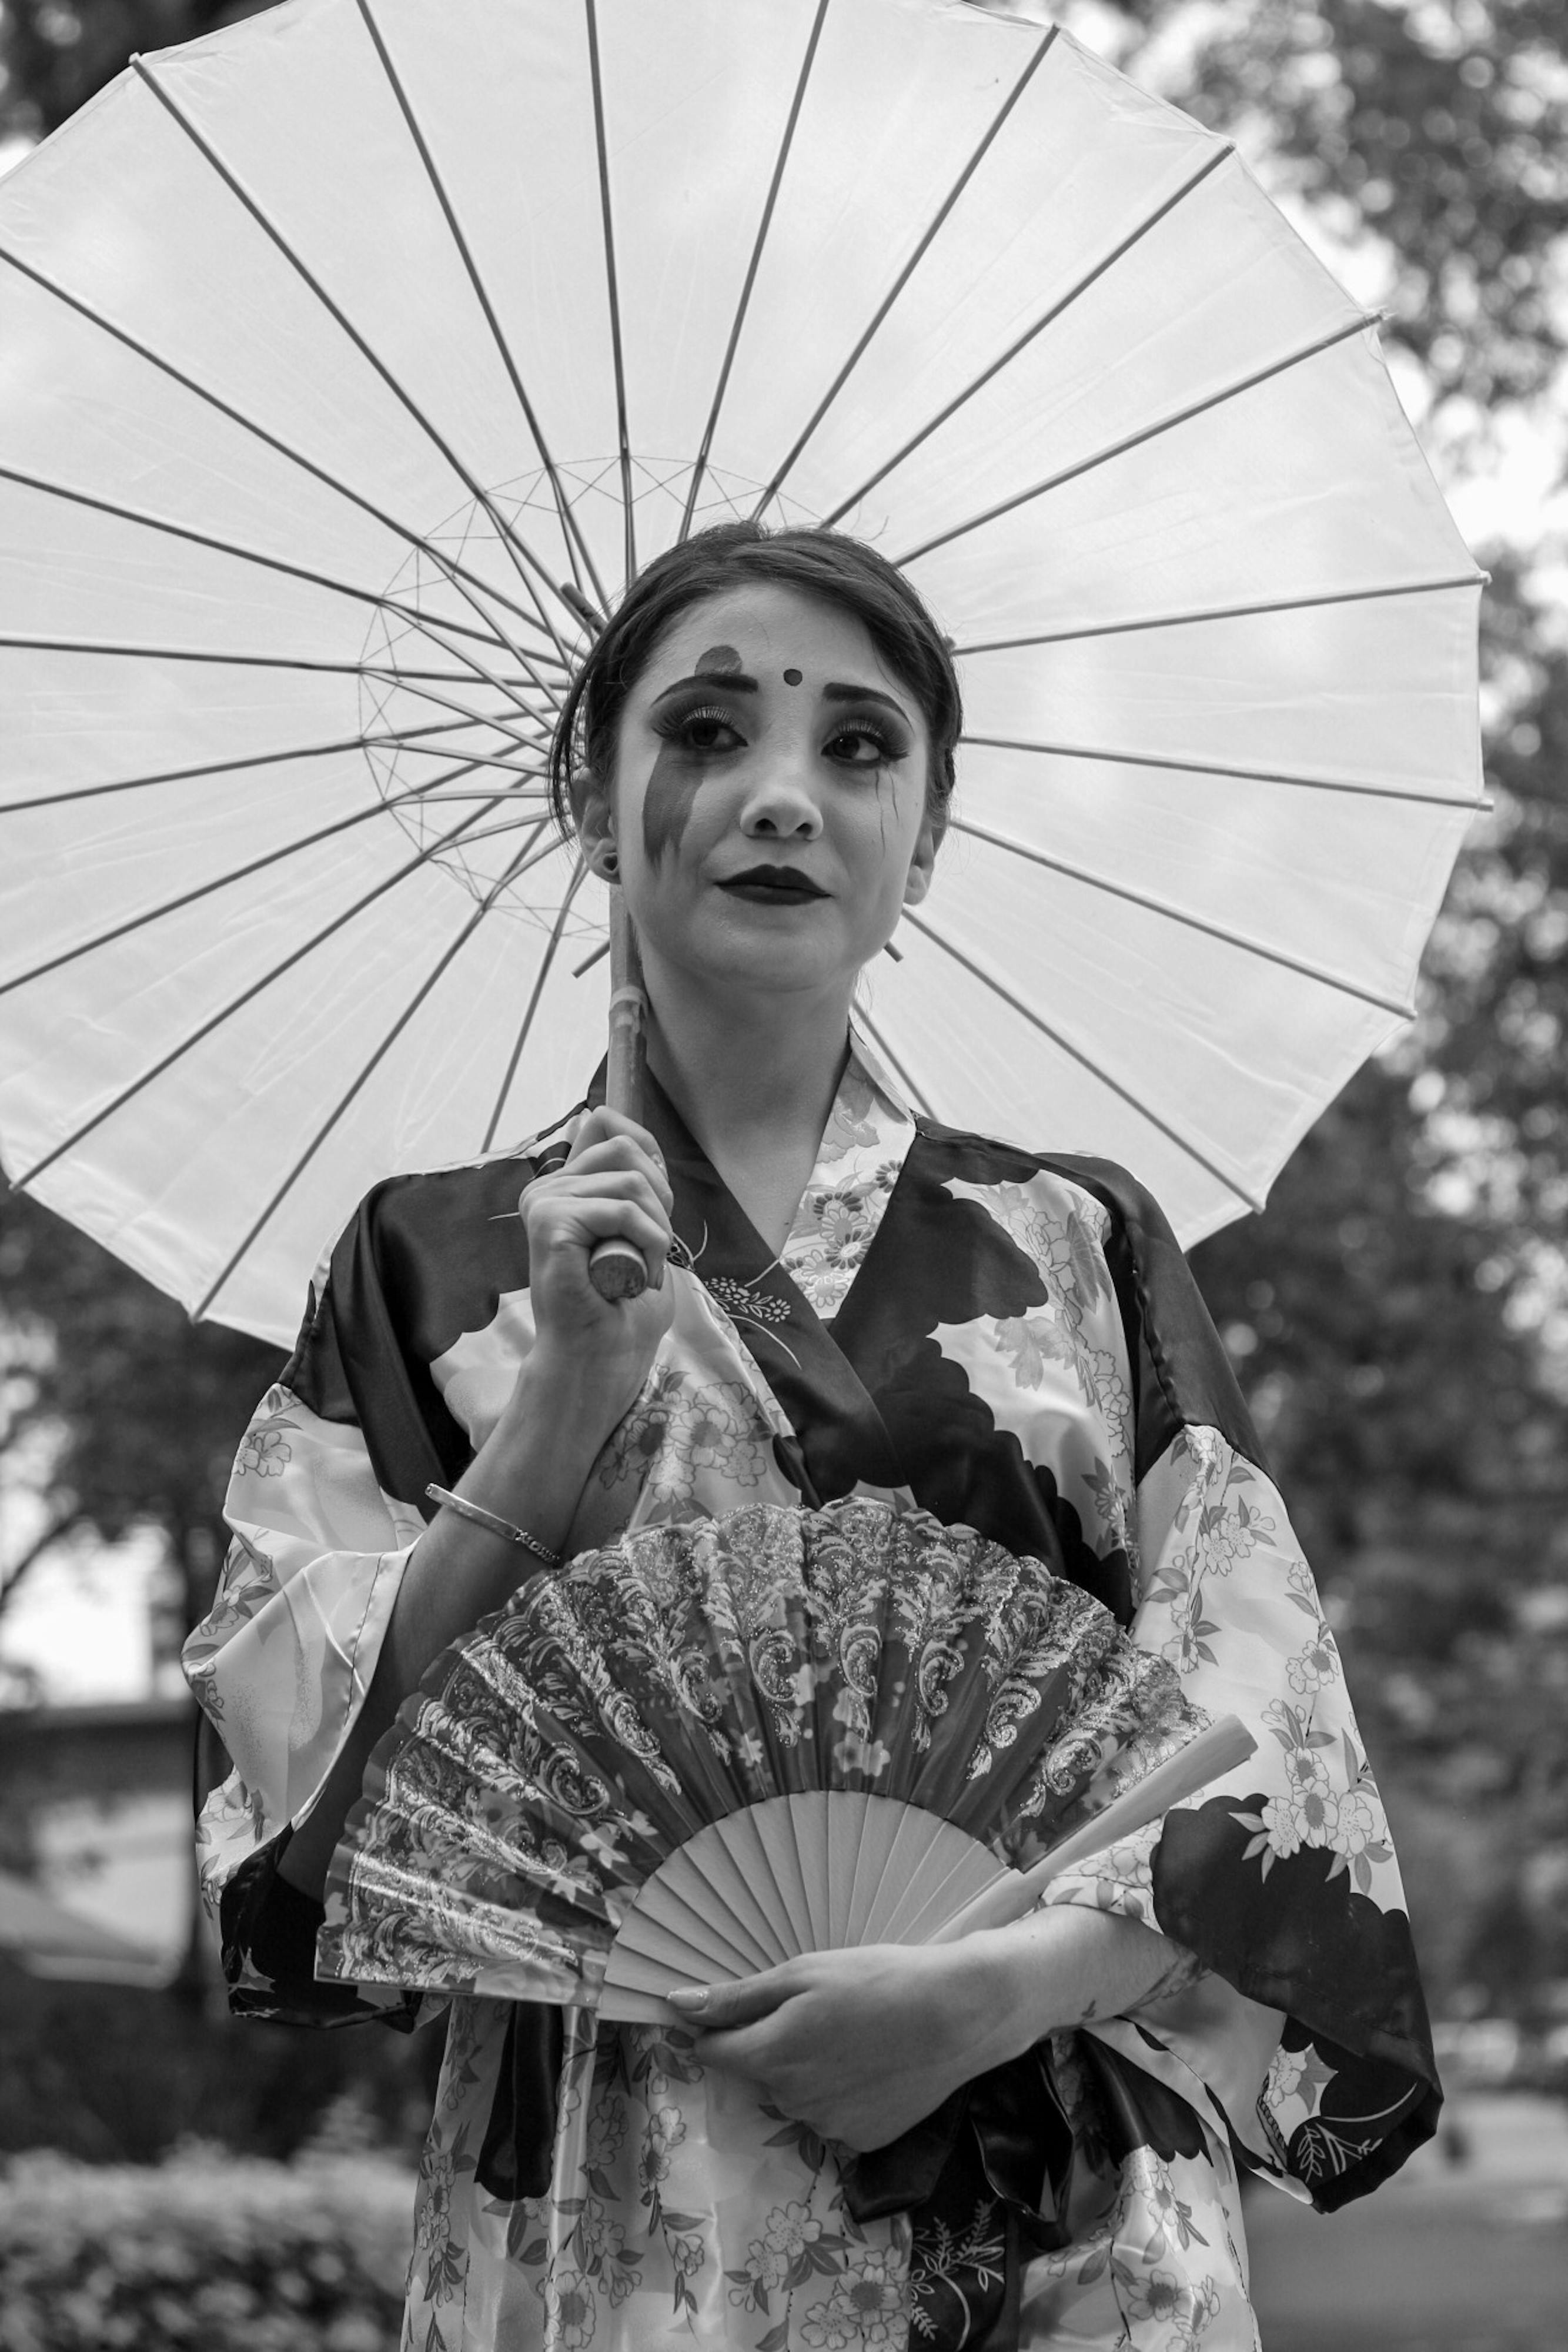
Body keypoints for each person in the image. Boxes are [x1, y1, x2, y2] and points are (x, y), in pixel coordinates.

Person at [185, 521, 1439, 2352]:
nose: (780, 793)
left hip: (1062, 2161)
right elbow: (310, 1816)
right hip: (623, 2185)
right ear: (584, 794)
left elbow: (1266, 1733)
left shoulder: (1072, 1244)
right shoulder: (425, 1258)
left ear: (920, 837)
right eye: (703, 732)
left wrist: (1004, 1984)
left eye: (857, 749)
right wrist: (549, 1429)